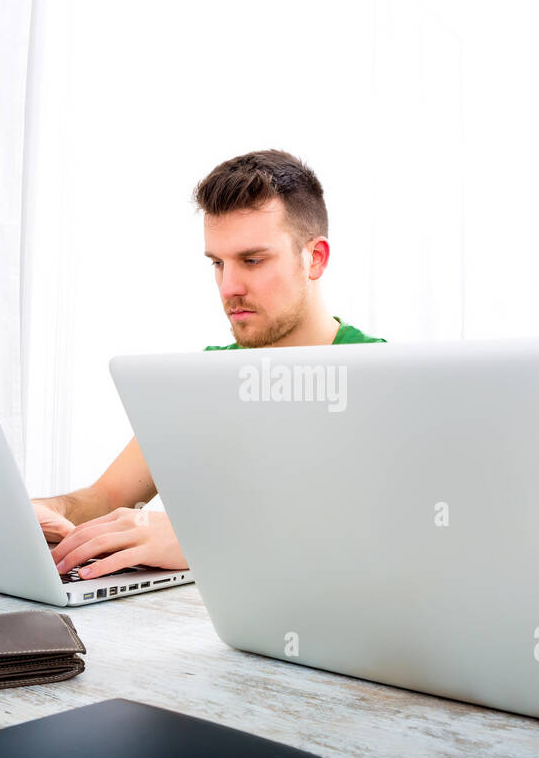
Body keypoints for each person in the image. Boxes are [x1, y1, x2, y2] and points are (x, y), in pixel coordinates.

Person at [34, 149, 384, 580]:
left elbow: (380, 539)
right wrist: (43, 512)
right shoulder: (203, 379)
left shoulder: (380, 375)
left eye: (252, 260)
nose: (229, 286)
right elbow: (107, 496)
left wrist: (204, 541)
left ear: (315, 258)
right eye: (218, 263)